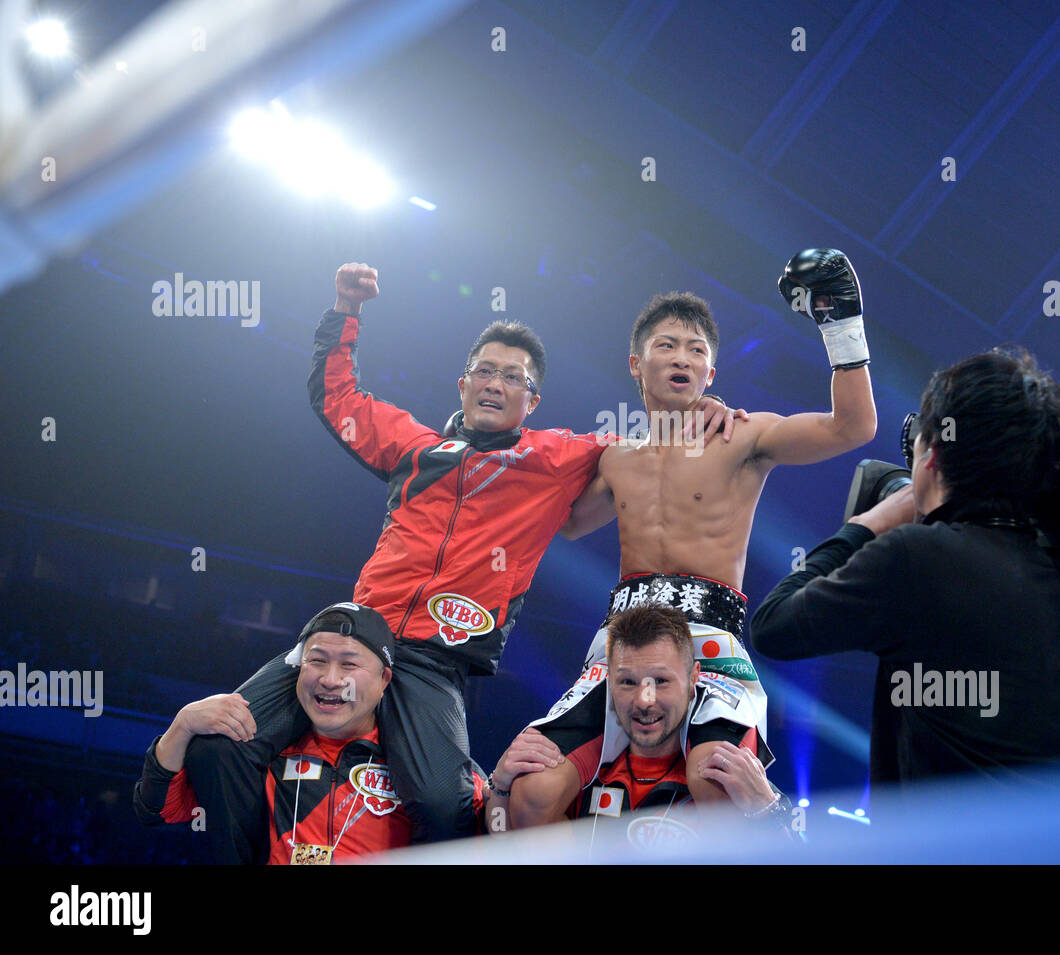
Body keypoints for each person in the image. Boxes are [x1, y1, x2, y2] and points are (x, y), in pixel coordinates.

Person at [183, 263, 738, 862]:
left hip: (432, 661)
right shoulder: (415, 447)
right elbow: (336, 398)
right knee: (217, 743)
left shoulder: (558, 456)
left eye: (513, 377)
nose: (496, 384)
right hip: (351, 641)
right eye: (485, 372)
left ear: (533, 399)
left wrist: (698, 408)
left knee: (446, 805)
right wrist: (345, 310)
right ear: (464, 383)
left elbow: (647, 444)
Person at [511, 249, 878, 825]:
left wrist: (841, 325)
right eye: (667, 345)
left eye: (697, 350)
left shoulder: (741, 434)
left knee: (720, 783)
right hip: (622, 643)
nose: (682, 358)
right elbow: (561, 525)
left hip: (710, 640)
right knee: (531, 792)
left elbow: (851, 427)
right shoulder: (614, 458)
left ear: (711, 374)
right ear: (636, 364)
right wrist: (492, 442)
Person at [749, 347, 1060, 810]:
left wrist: (869, 523)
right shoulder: (1059, 566)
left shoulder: (917, 557)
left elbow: (774, 626)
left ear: (932, 456)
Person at [134, 603, 440, 864]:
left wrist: (492, 788)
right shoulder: (261, 755)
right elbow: (160, 810)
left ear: (384, 678)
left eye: (349, 664)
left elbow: (480, 832)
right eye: (317, 661)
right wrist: (182, 724)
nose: (331, 679)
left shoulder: (419, 767)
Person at [496, 605, 793, 838]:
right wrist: (497, 790)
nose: (644, 700)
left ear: (693, 680)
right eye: (628, 682)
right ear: (609, 683)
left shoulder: (735, 780)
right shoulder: (573, 781)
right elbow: (503, 848)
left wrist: (767, 810)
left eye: (661, 681)